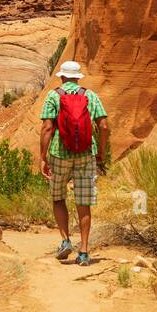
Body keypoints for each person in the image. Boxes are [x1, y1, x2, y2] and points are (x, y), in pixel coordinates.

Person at [40, 60, 109, 266]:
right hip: (86, 154)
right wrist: (101, 152)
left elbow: (47, 128)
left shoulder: (53, 95)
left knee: (58, 197)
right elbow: (104, 125)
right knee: (83, 202)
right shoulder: (90, 95)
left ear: (62, 76)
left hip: (59, 154)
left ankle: (65, 240)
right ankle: (85, 251)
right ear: (78, 78)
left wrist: (43, 157)